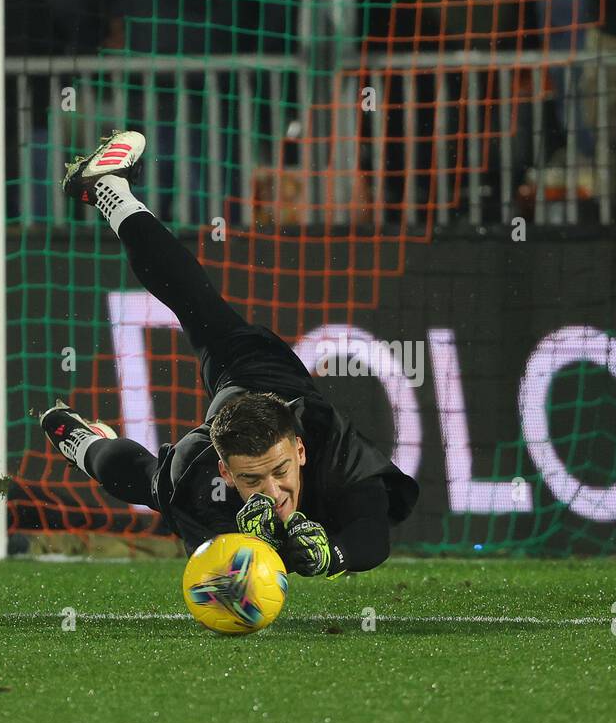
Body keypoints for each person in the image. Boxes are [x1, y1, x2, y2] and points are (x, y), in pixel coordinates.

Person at [39, 131, 420, 577]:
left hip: (255, 370)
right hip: (224, 420)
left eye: (278, 470)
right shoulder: (200, 473)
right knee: (151, 484)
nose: (273, 491)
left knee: (199, 305)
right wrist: (233, 540)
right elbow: (219, 573)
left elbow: (372, 530)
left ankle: (106, 189)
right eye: (252, 480)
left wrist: (332, 556)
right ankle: (86, 445)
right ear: (226, 470)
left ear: (299, 450)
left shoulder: (327, 439)